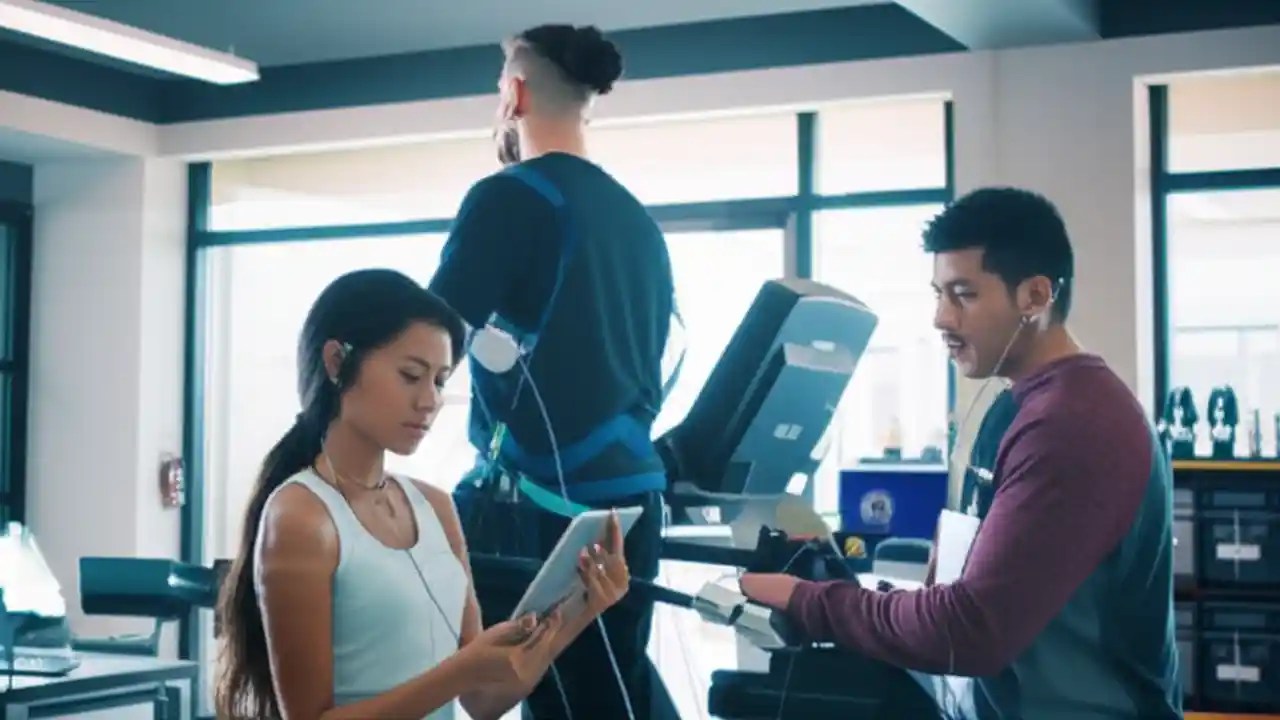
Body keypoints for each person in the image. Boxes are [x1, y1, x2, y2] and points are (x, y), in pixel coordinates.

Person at [740, 188, 1182, 719]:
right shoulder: (1016, 407)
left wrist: (806, 600)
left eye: (963, 294)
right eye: (938, 294)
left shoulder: (1073, 425)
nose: (941, 318)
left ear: (1035, 297)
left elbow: (971, 631)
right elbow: (967, 578)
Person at [214, 269, 631, 720]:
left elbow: (483, 699)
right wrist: (458, 672)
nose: (429, 400)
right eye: (411, 375)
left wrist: (580, 609)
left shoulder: (435, 507)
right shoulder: (301, 516)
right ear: (337, 362)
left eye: (439, 380)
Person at [427, 23, 675, 720]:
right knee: (608, 700)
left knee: (525, 692)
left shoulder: (508, 197)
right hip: (634, 502)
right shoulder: (636, 220)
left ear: (514, 92)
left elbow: (429, 336)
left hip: (541, 509)